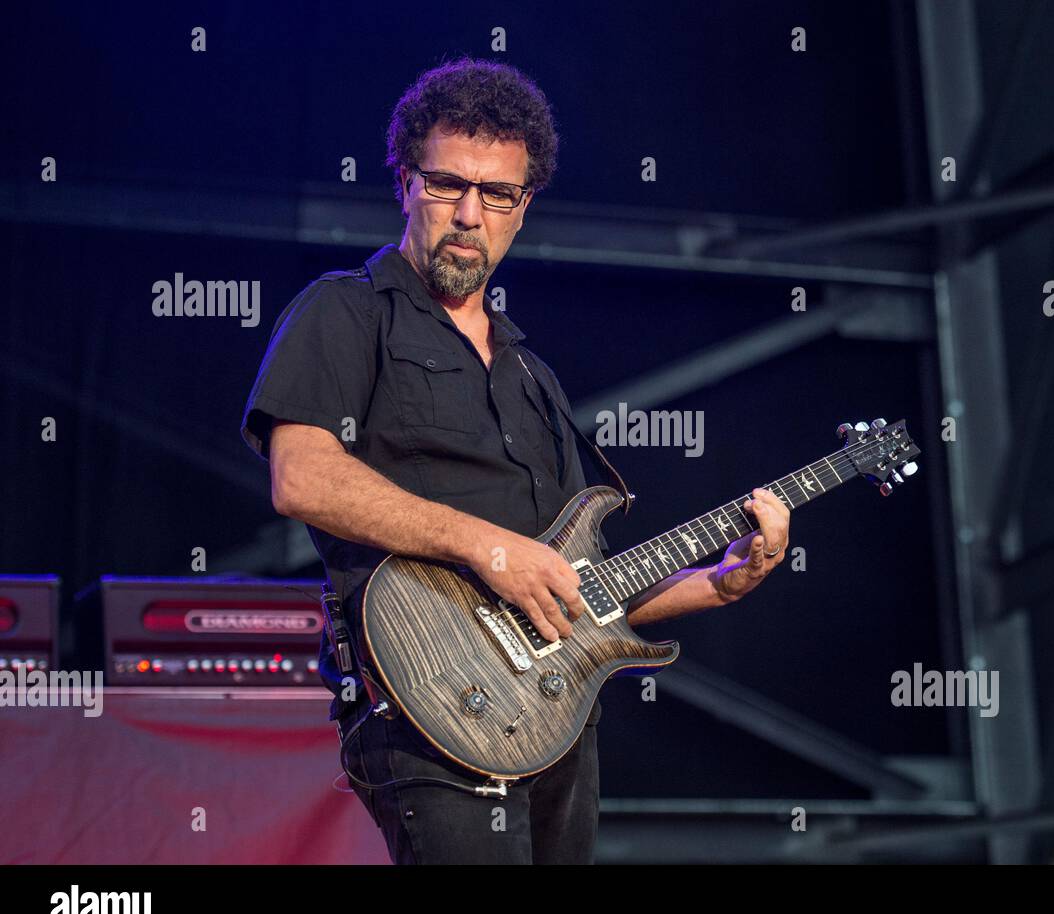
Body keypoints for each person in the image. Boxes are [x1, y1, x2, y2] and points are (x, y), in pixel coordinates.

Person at [240, 57, 789, 864]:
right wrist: (486, 545)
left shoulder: (534, 375)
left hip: (557, 720)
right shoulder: (347, 311)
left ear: (523, 208)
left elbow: (583, 594)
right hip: (432, 702)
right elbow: (302, 476)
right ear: (404, 182)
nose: (469, 214)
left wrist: (716, 583)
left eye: (497, 194)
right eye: (447, 185)